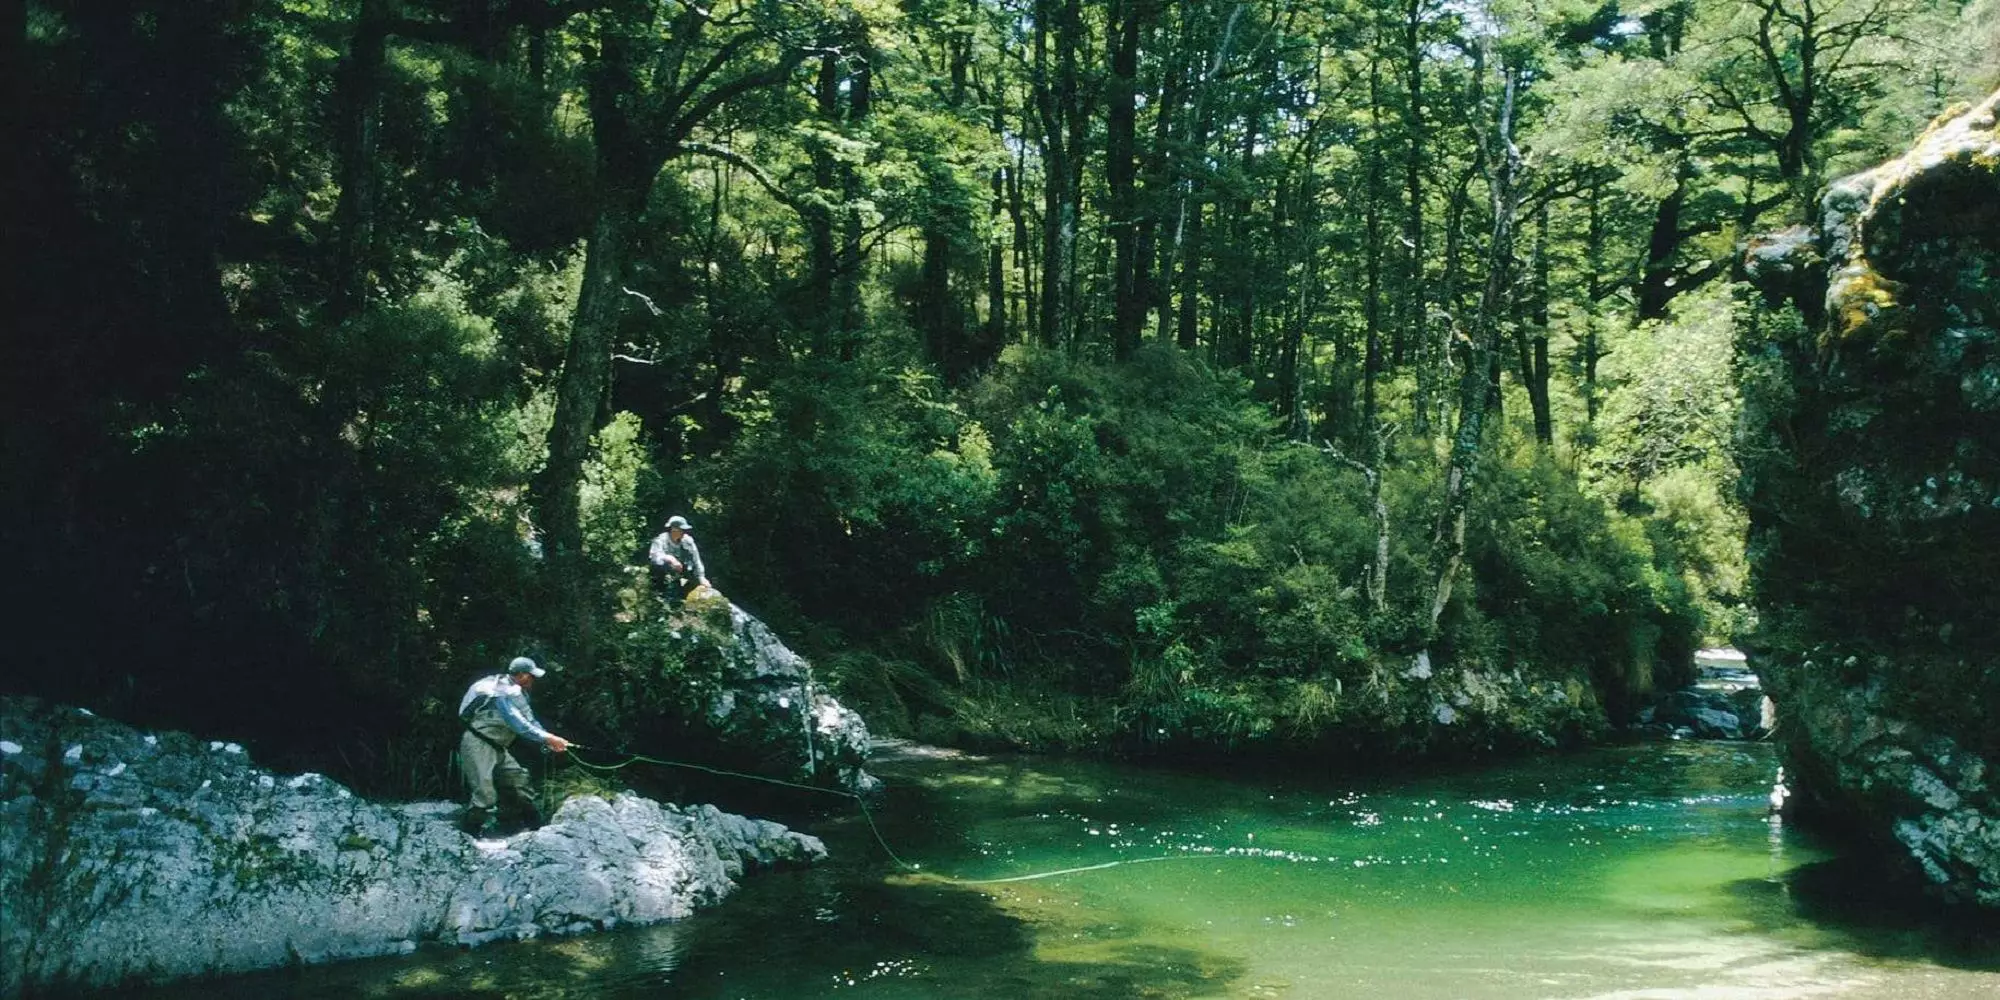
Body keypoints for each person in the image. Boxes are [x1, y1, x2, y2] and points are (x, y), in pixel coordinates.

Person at [457, 656, 569, 836]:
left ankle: (536, 830)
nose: (534, 680)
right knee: (485, 795)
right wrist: (549, 738)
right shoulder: (498, 691)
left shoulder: (517, 693)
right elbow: (516, 722)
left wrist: (549, 739)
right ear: (523, 675)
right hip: (478, 744)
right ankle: (468, 838)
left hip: (499, 747)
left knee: (519, 783)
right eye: (532, 676)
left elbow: (530, 721)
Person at [647, 515, 708, 605]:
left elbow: (696, 559)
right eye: (681, 530)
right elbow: (654, 556)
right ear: (673, 529)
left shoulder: (688, 541)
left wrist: (701, 577)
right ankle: (660, 597)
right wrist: (670, 558)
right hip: (663, 575)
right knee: (660, 564)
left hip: (683, 573)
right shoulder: (661, 540)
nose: (683, 532)